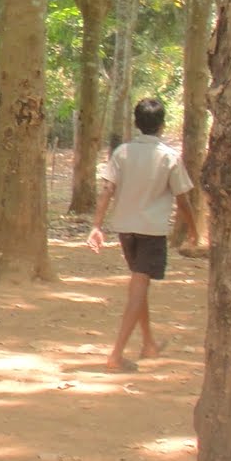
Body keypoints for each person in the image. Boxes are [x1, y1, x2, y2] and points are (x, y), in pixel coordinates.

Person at [87, 97, 200, 372]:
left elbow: (107, 190)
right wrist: (194, 229)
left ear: (136, 123)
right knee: (139, 288)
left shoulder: (122, 153)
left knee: (140, 284)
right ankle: (116, 355)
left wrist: (96, 225)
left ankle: (149, 343)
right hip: (151, 230)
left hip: (126, 229)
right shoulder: (169, 156)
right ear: (162, 125)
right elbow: (183, 200)